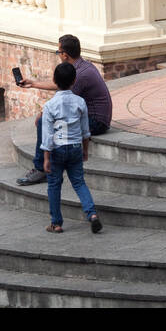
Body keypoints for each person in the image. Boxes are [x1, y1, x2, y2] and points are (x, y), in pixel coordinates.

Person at [15, 35, 113, 185]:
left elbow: (64, 102)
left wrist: (43, 114)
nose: (58, 55)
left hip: (96, 122)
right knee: (46, 120)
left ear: (65, 55)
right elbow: (61, 87)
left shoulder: (80, 75)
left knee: (43, 122)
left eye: (58, 52)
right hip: (93, 116)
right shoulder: (81, 67)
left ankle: (41, 168)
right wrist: (33, 83)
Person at [40, 62, 103, 235]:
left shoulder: (49, 106)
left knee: (54, 184)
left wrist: (45, 158)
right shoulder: (80, 102)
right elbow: (85, 131)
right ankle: (92, 214)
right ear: (74, 80)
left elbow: (47, 135)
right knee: (79, 182)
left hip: (57, 149)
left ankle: (56, 223)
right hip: (75, 146)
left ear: (54, 80)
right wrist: (85, 150)